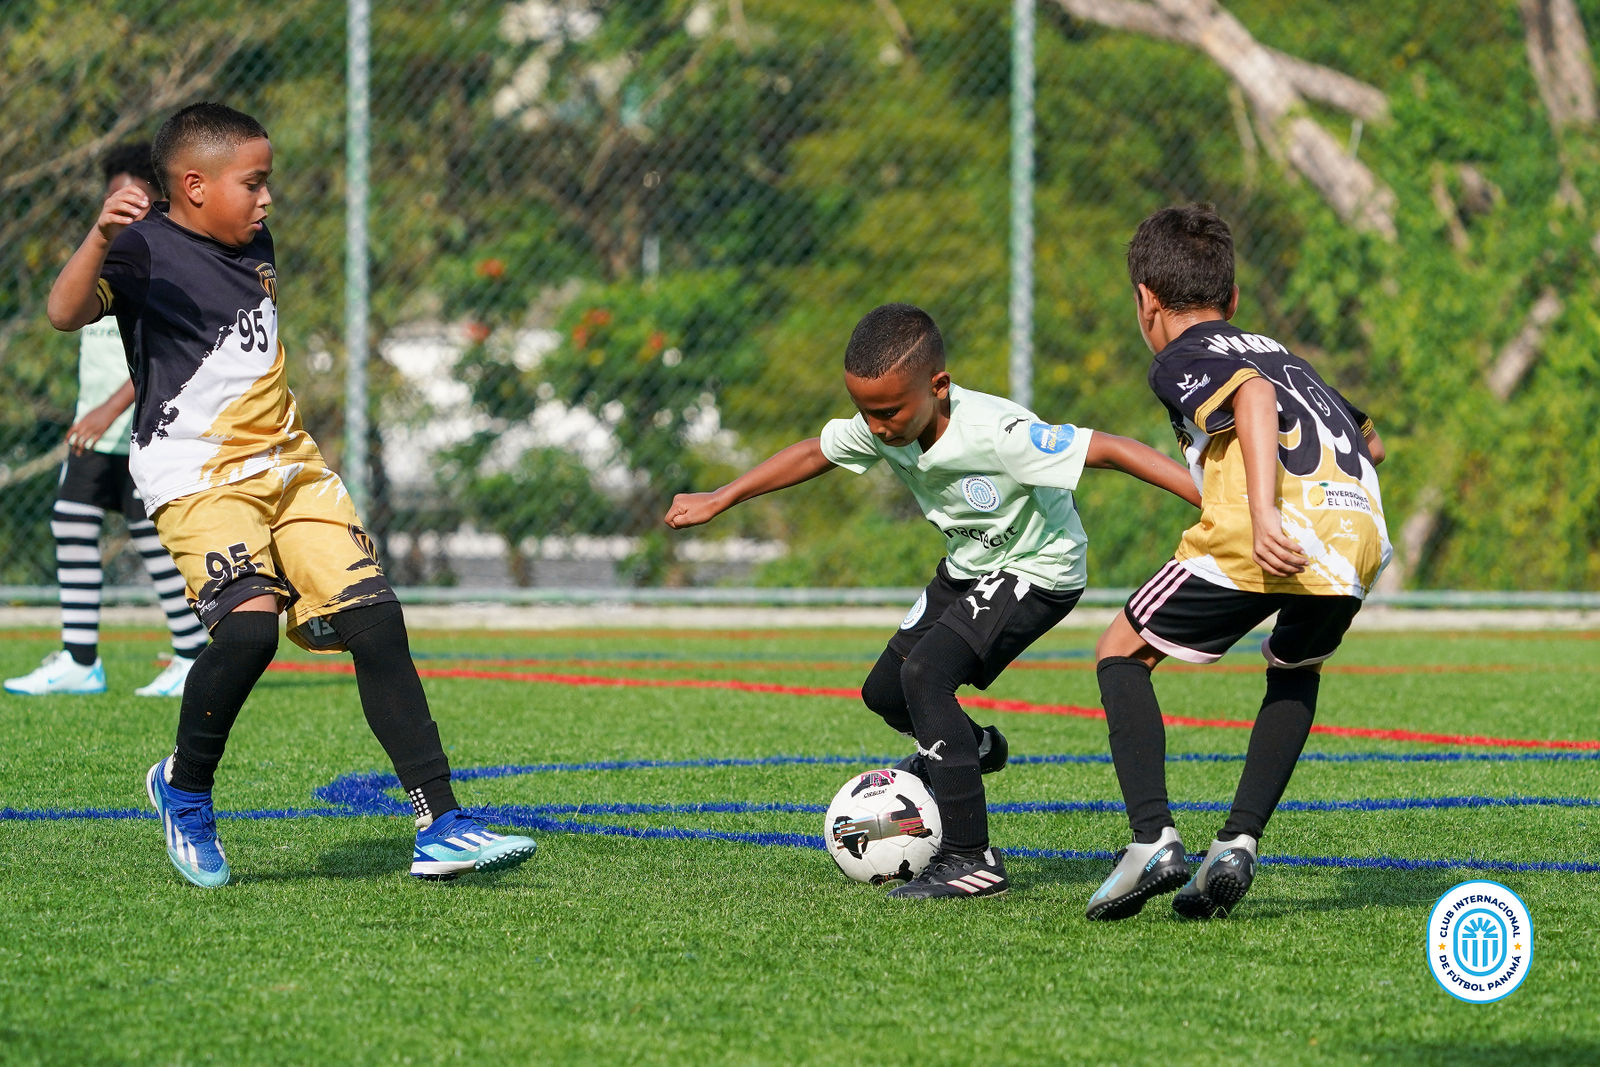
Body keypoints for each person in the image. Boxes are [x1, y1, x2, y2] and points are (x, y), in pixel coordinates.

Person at [45, 102, 535, 888]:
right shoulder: (139, 249)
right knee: (248, 635)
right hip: (198, 477)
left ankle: (441, 825)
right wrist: (101, 235)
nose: (268, 198)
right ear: (196, 186)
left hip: (291, 468)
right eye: (255, 182)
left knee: (378, 622)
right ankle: (185, 788)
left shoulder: (254, 243)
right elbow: (64, 312)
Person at [665, 302, 1201, 900]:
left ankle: (972, 859)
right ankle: (971, 748)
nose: (875, 427)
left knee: (927, 676)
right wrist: (722, 495)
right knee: (886, 692)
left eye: (888, 411)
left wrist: (1217, 505)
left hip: (1038, 569)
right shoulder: (883, 420)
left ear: (938, 387)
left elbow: (1116, 449)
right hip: (967, 569)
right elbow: (815, 451)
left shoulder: (998, 434)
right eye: (866, 412)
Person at [1085, 204, 1390, 921]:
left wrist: (1260, 513)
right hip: (1358, 536)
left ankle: (1150, 839)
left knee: (1120, 651)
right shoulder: (1286, 352)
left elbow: (1250, 397)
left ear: (1145, 301)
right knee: (1293, 667)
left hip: (1270, 529)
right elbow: (1370, 442)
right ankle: (1238, 843)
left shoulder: (1184, 355)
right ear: (1234, 298)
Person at [5, 143, 208, 699]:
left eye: (133, 198)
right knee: (71, 521)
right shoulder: (103, 260)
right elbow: (65, 317)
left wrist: (109, 408)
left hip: (137, 427)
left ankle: (192, 655)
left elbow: (167, 358)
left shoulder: (162, 264)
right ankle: (80, 659)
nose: (121, 207)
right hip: (93, 431)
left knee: (149, 537)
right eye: (112, 196)